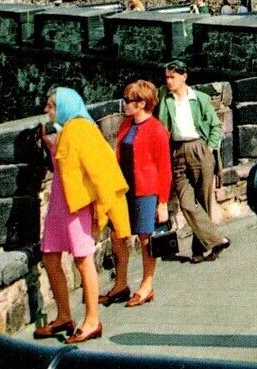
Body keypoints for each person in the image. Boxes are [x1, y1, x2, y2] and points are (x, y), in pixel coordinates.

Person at [38, 87, 131, 344]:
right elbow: (65, 166)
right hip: (60, 202)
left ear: (65, 107)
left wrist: (107, 209)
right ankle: (64, 316)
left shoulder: (81, 129)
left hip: (76, 206)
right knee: (50, 257)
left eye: (51, 106)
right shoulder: (67, 130)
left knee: (83, 260)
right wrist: (50, 146)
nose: (47, 110)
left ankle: (92, 320)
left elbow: (102, 170)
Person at [102, 80, 171, 309]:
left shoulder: (157, 130)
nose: (125, 105)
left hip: (146, 191)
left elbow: (164, 169)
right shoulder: (125, 125)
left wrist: (162, 202)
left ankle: (147, 285)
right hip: (125, 189)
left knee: (145, 239)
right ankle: (120, 284)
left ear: (141, 103)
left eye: (128, 101)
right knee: (118, 236)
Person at [156, 61, 230, 262]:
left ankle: (199, 250)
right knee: (187, 203)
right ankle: (218, 240)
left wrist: (209, 148)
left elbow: (216, 125)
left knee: (203, 200)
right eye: (166, 77)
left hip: (199, 147)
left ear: (184, 76)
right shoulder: (164, 96)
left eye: (172, 77)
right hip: (178, 150)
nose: (168, 81)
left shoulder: (199, 99)